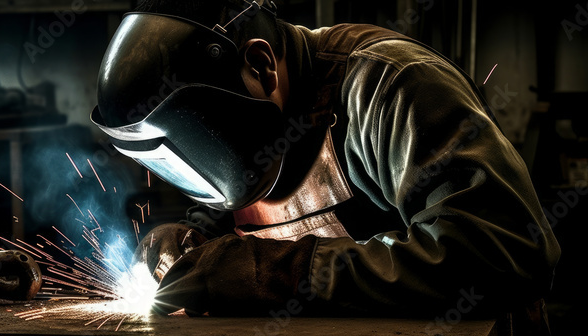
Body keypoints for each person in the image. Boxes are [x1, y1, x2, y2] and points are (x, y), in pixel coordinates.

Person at [89, 0, 560, 333]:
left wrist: (279, 274)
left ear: (261, 67)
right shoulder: (246, 137)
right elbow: (229, 209)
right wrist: (189, 240)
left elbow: (505, 253)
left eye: (206, 140)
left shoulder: (390, 87)